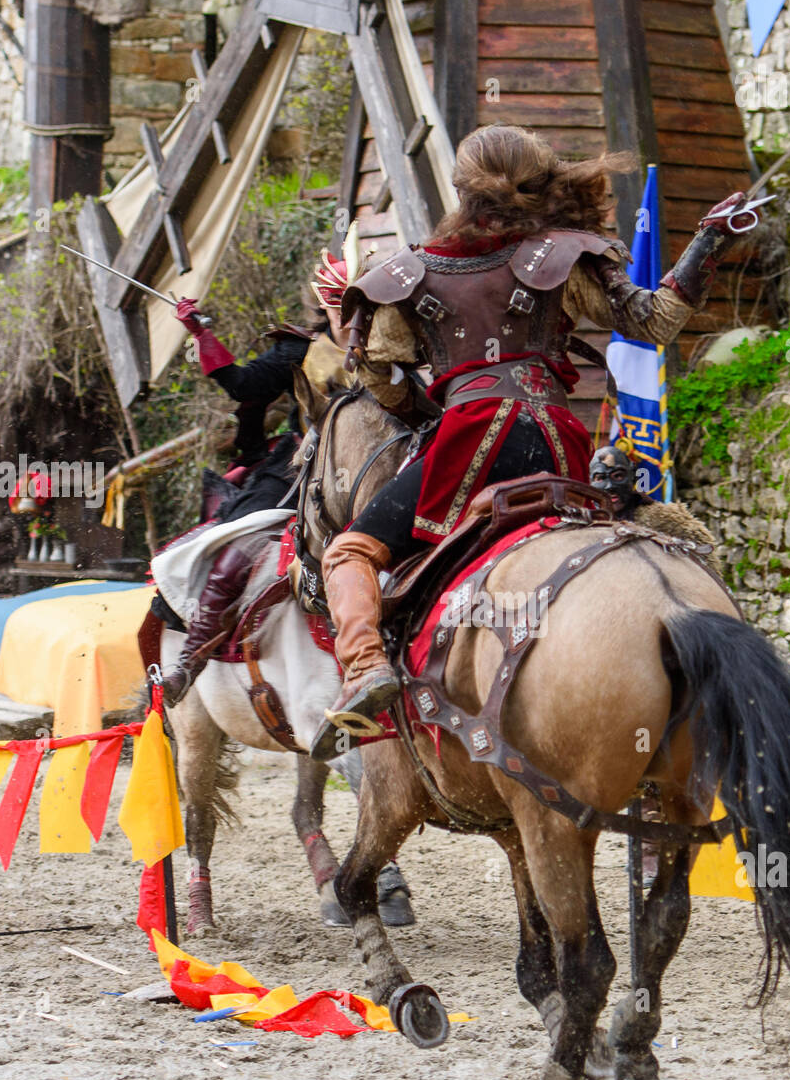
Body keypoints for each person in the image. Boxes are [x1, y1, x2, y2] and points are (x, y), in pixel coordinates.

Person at [308, 123, 752, 760]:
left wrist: (421, 406)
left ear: (462, 191)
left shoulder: (406, 273)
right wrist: (706, 241)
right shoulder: (565, 255)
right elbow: (655, 321)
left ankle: (365, 670)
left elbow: (376, 374)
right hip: (557, 441)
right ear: (543, 183)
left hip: (466, 446)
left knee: (351, 550)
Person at [159, 248, 354, 706]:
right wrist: (200, 335)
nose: (353, 314)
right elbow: (243, 385)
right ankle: (191, 658)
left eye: (362, 302)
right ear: (325, 304)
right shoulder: (300, 349)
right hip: (301, 469)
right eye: (344, 302)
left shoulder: (393, 344)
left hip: (377, 463)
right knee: (239, 544)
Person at [588, 442, 718, 547]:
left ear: (632, 476)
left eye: (618, 476)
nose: (610, 486)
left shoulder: (665, 520)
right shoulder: (583, 523)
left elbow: (703, 557)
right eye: (600, 478)